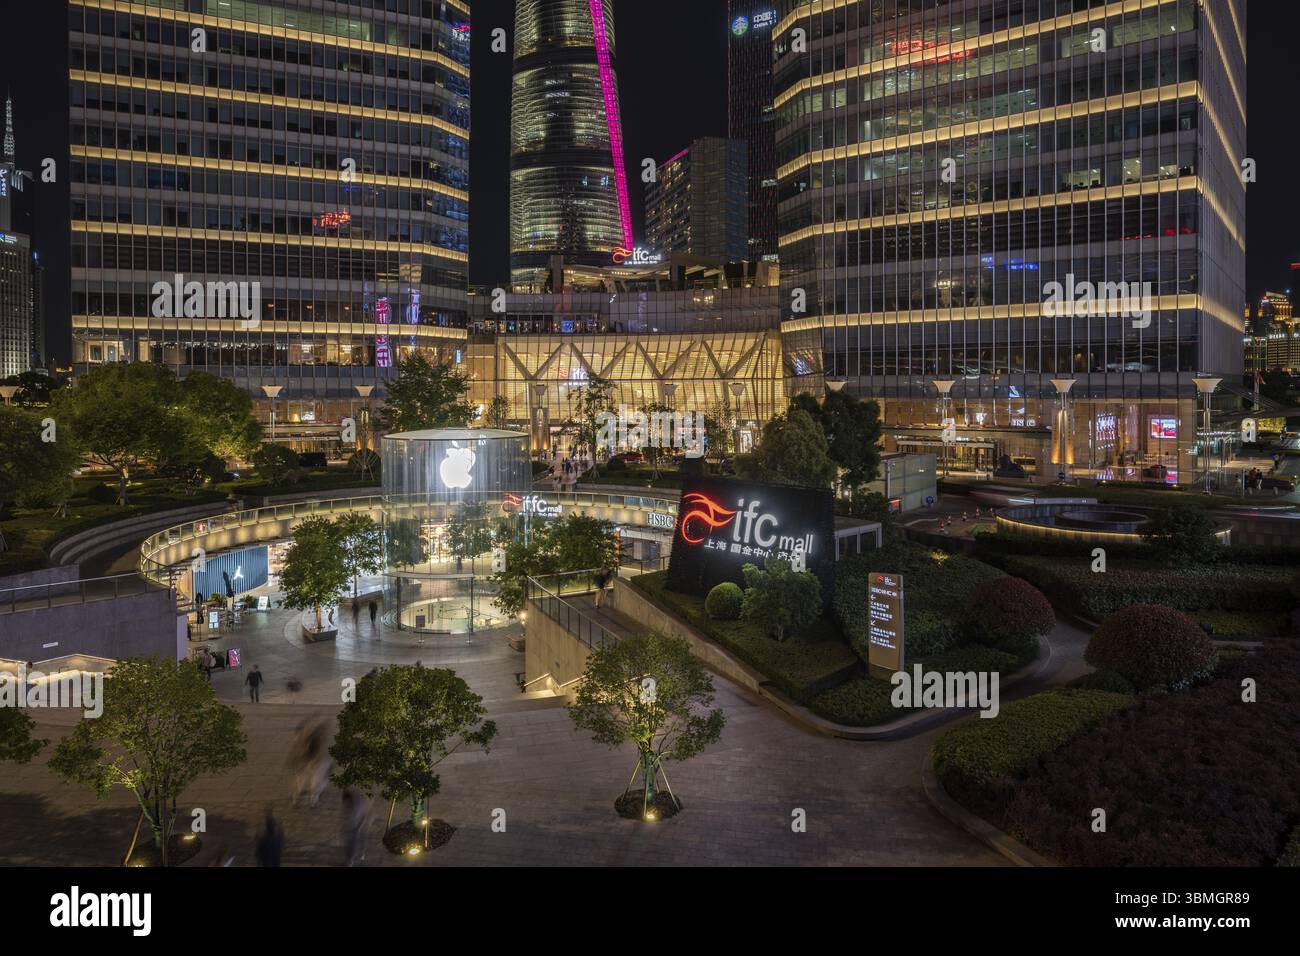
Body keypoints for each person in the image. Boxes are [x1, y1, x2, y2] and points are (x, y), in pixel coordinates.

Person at [342, 789, 369, 866]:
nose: (346, 804)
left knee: (355, 843)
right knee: (352, 843)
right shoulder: (349, 804)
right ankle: (351, 858)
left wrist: (360, 826)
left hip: (358, 826)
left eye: (347, 802)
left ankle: (353, 858)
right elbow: (346, 815)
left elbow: (364, 815)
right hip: (353, 826)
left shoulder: (358, 803)